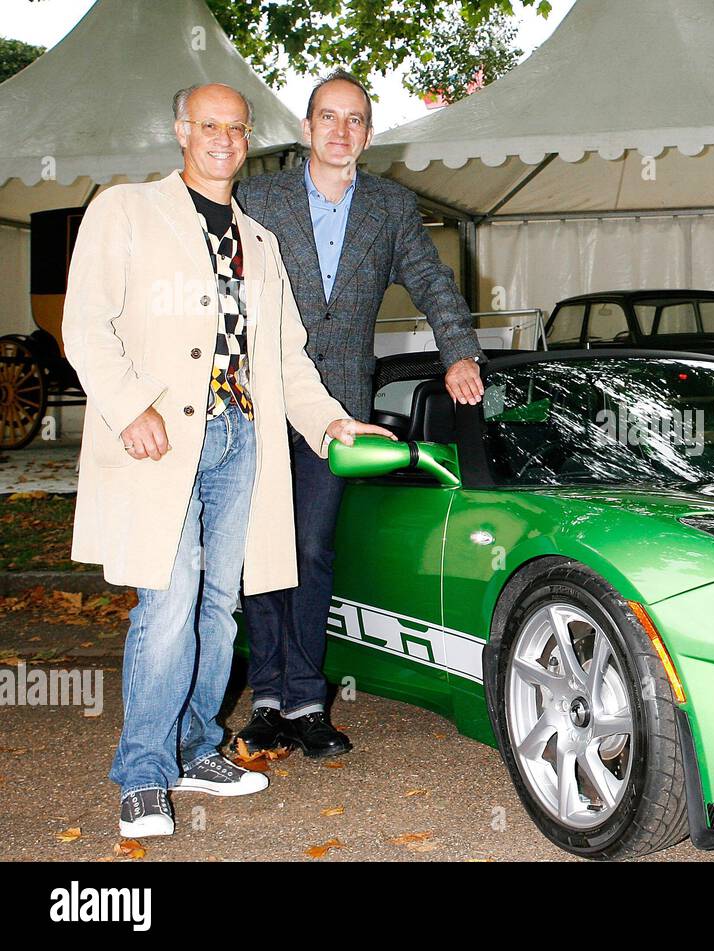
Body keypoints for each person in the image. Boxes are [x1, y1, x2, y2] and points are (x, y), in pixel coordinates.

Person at [63, 82, 394, 837]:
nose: (223, 138)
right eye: (209, 125)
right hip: (163, 437)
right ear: (181, 128)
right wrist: (127, 405)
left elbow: (289, 361)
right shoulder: (126, 210)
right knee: (170, 602)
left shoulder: (260, 241)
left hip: (241, 437)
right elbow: (86, 324)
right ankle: (142, 771)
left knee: (221, 606)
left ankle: (194, 744)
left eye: (236, 128)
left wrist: (333, 425)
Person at [232, 70, 486, 759]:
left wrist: (458, 352)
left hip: (338, 406)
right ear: (308, 128)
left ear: (367, 135)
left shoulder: (392, 206)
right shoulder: (257, 197)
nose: (341, 130)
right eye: (328, 117)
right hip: (256, 399)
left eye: (355, 120)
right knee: (264, 548)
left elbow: (433, 281)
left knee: (311, 546)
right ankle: (267, 701)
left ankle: (308, 700)